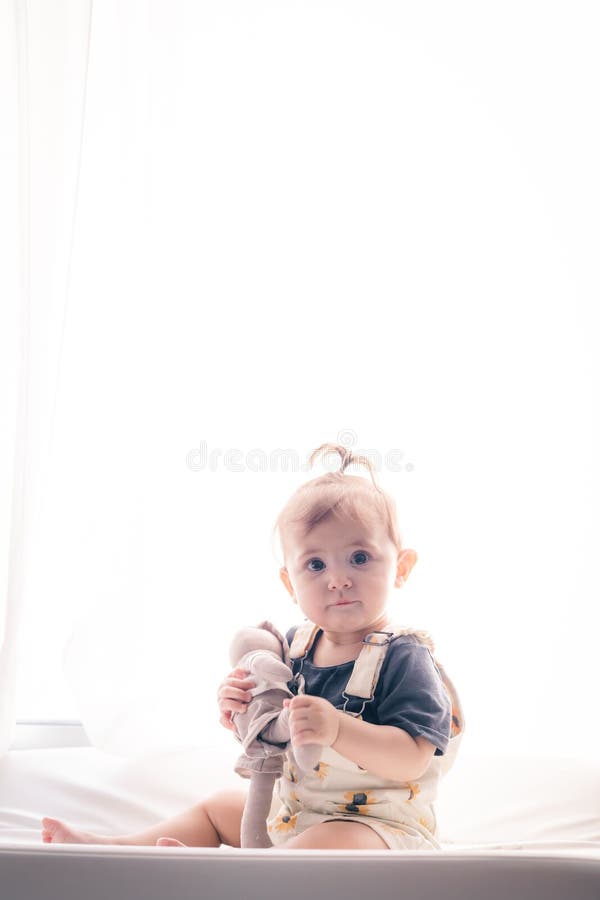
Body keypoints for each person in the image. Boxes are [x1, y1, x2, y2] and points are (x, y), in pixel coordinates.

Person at [41, 441, 463, 851]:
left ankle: (242, 877)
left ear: (401, 567)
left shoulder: (405, 656)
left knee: (329, 841)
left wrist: (337, 728)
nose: (338, 579)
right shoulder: (293, 648)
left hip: (379, 828)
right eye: (315, 564)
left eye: (359, 558)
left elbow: (413, 758)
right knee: (217, 807)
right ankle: (122, 849)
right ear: (290, 584)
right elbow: (272, 728)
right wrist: (242, 711)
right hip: (297, 815)